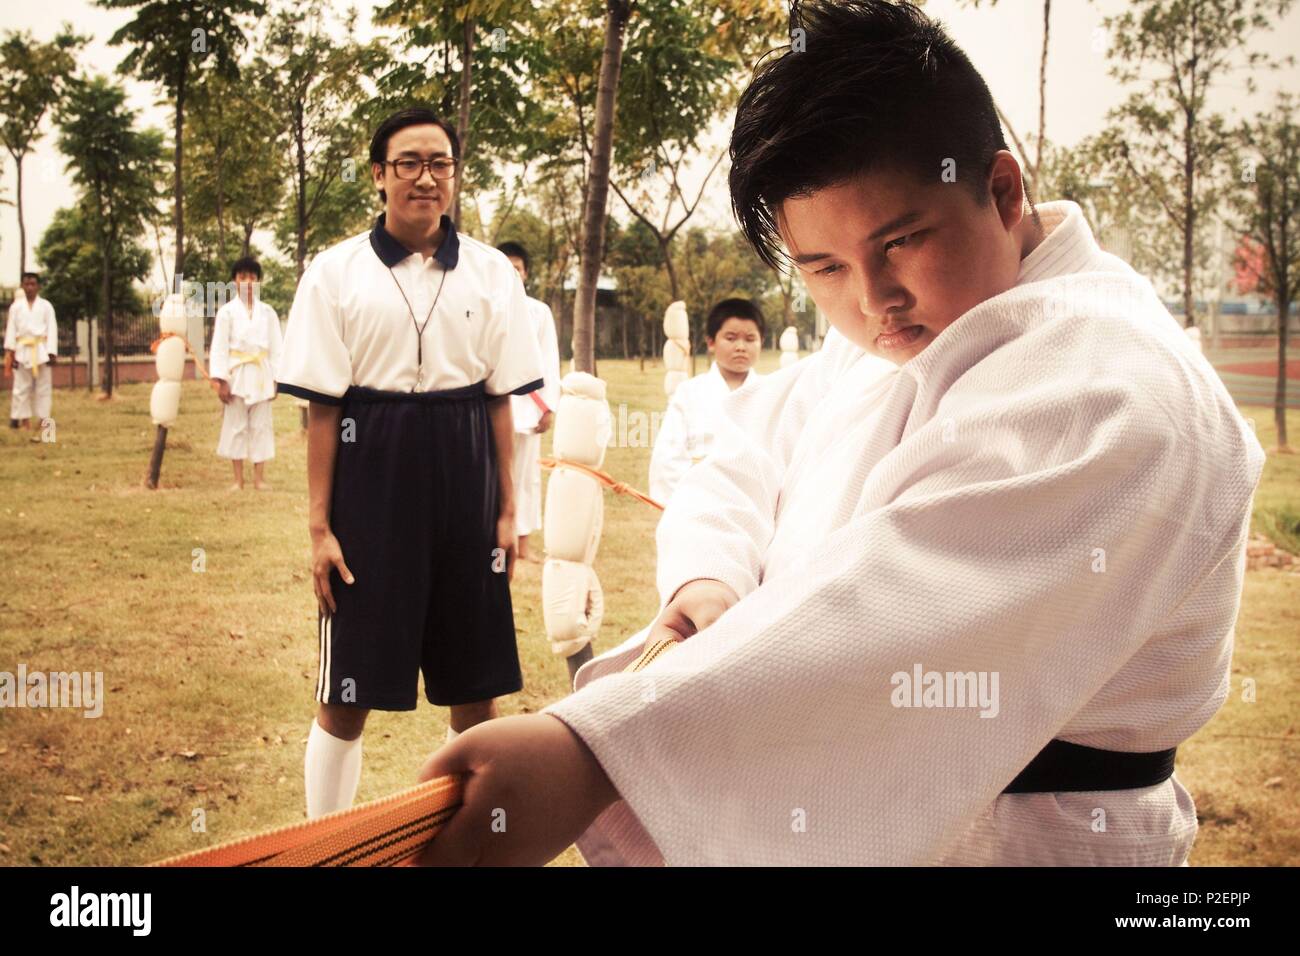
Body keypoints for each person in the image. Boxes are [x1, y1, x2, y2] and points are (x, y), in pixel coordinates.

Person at [412, 0, 1265, 867]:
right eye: (824, 268)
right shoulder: (906, 335)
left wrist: (592, 754)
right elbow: (746, 460)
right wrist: (709, 579)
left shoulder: (1115, 390)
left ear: (1001, 191)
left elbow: (895, 615)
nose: (872, 302)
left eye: (902, 242)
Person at [276, 107, 545, 819]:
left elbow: (498, 399)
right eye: (408, 163)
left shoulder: (492, 273)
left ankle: (470, 841)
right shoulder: (334, 273)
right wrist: (318, 528)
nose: (426, 177)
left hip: (467, 472)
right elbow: (323, 411)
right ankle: (324, 842)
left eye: (440, 163)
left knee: (476, 686)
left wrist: (510, 509)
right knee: (349, 690)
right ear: (378, 175)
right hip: (373, 474)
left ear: (455, 175)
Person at [648, 298, 766, 504]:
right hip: (698, 502)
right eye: (730, 338)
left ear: (761, 342)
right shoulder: (690, 392)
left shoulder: (771, 391)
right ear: (711, 342)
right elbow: (668, 459)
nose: (741, 347)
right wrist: (687, 505)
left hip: (758, 506)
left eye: (750, 339)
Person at [497, 241, 561, 561]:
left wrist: (548, 405)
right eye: (505, 266)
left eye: (517, 268)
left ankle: (523, 544)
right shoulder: (486, 307)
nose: (512, 273)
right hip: (493, 407)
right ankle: (492, 540)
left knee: (525, 477)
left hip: (528, 407)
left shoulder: (539, 312)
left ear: (526, 273)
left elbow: (549, 359)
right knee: (494, 476)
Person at [208, 257, 282, 490]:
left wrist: (276, 379)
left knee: (261, 426)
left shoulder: (268, 312)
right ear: (234, 281)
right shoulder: (226, 313)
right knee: (235, 426)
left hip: (261, 374)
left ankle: (259, 479)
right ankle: (237, 480)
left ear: (258, 281)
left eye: (252, 277)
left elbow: (276, 347)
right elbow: (219, 347)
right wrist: (220, 380)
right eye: (242, 277)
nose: (248, 282)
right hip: (236, 375)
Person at [4, 272, 58, 439]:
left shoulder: (46, 306)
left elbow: (52, 329)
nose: (30, 288)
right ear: (22, 286)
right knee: (21, 388)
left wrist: (51, 352)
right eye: (26, 284)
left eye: (33, 284)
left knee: (44, 389)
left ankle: (45, 426)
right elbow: (11, 331)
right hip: (22, 350)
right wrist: (10, 353)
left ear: (38, 286)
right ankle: (24, 422)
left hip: (41, 349)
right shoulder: (16, 308)